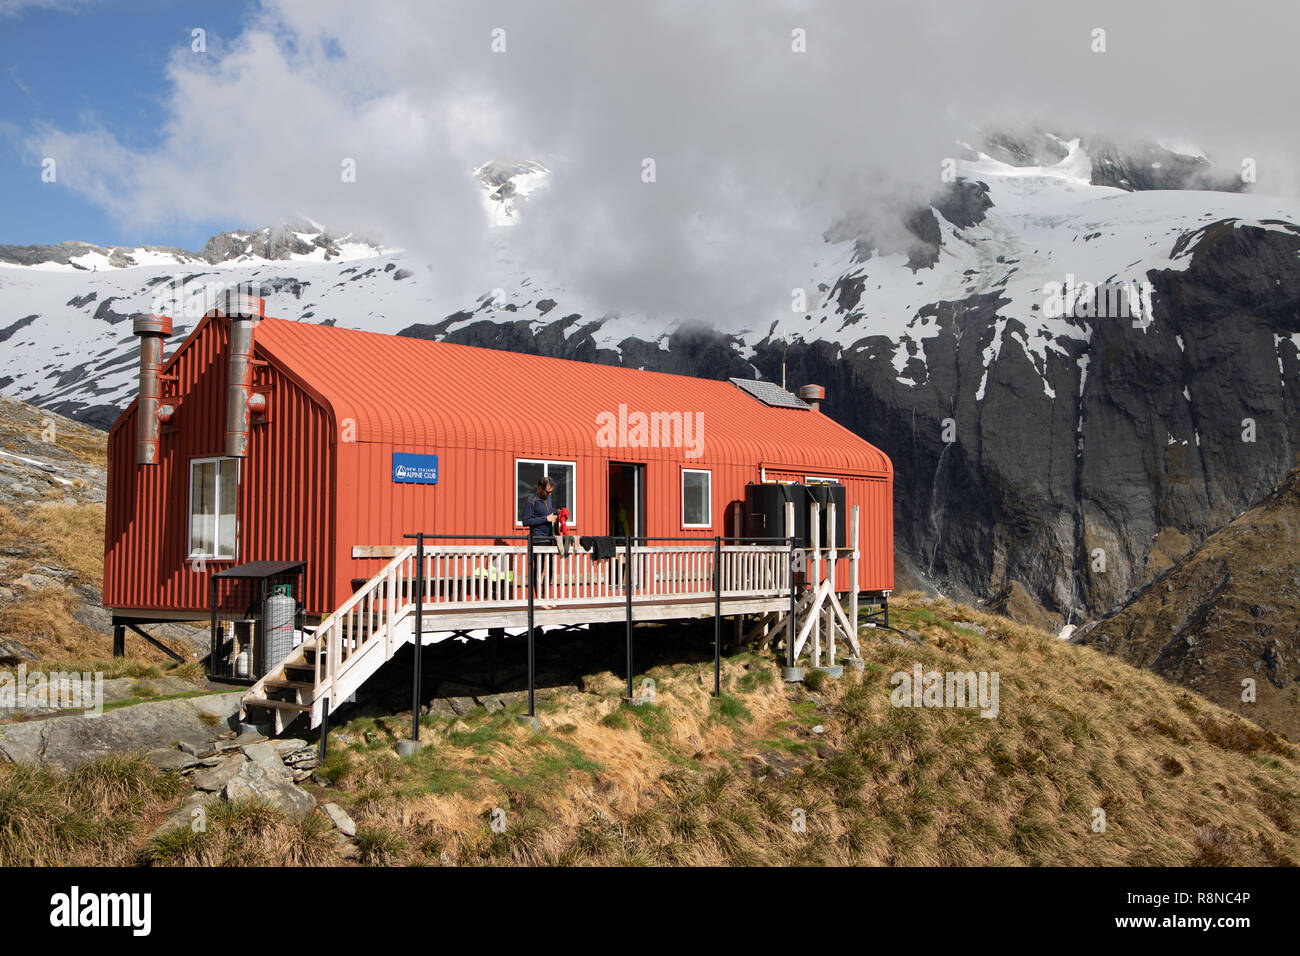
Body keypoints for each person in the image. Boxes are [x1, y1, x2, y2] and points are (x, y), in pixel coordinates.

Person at [521, 476, 558, 608]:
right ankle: (539, 599)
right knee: (538, 570)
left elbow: (548, 517)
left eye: (551, 492)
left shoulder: (548, 498)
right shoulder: (532, 500)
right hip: (537, 540)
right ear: (540, 488)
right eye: (547, 491)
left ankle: (546, 597)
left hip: (549, 539)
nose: (549, 494)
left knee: (550, 570)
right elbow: (526, 521)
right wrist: (546, 519)